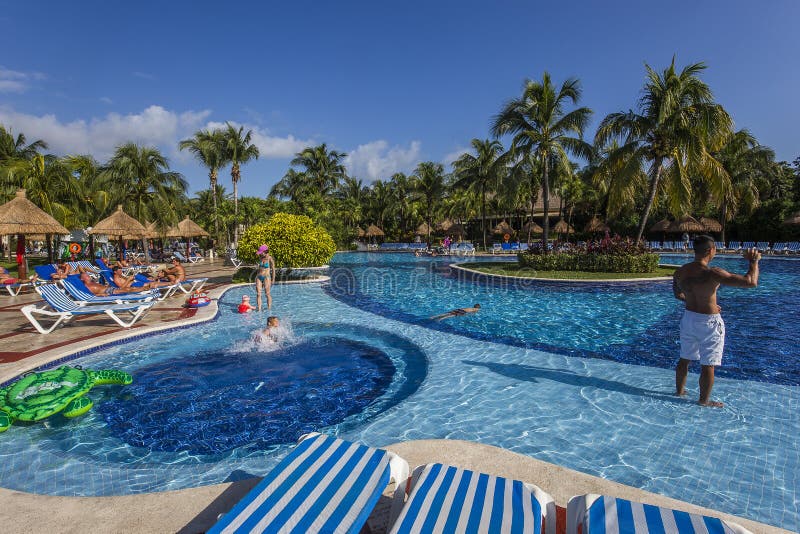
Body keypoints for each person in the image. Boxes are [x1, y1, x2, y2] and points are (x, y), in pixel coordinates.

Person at [672, 235, 760, 408]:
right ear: (710, 250)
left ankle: (680, 391)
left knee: (684, 358)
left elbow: (678, 295)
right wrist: (753, 261)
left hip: (688, 318)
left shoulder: (680, 272)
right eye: (715, 249)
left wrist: (698, 301)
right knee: (708, 364)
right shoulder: (713, 273)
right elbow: (751, 282)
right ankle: (704, 401)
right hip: (709, 323)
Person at [79, 272, 150, 296]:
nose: (88, 276)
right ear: (82, 279)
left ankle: (143, 288)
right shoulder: (86, 286)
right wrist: (100, 295)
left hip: (109, 288)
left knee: (130, 288)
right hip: (107, 292)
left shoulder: (92, 282)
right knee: (127, 290)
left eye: (88, 275)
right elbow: (90, 294)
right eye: (86, 276)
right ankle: (144, 288)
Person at [255, 244, 276, 311]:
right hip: (259, 277)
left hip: (267, 277)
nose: (260, 254)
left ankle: (269, 309)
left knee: (267, 294)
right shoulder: (260, 257)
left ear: (265, 252)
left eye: (262, 252)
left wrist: (273, 279)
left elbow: (273, 269)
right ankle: (259, 309)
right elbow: (257, 253)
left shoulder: (270, 258)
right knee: (258, 294)